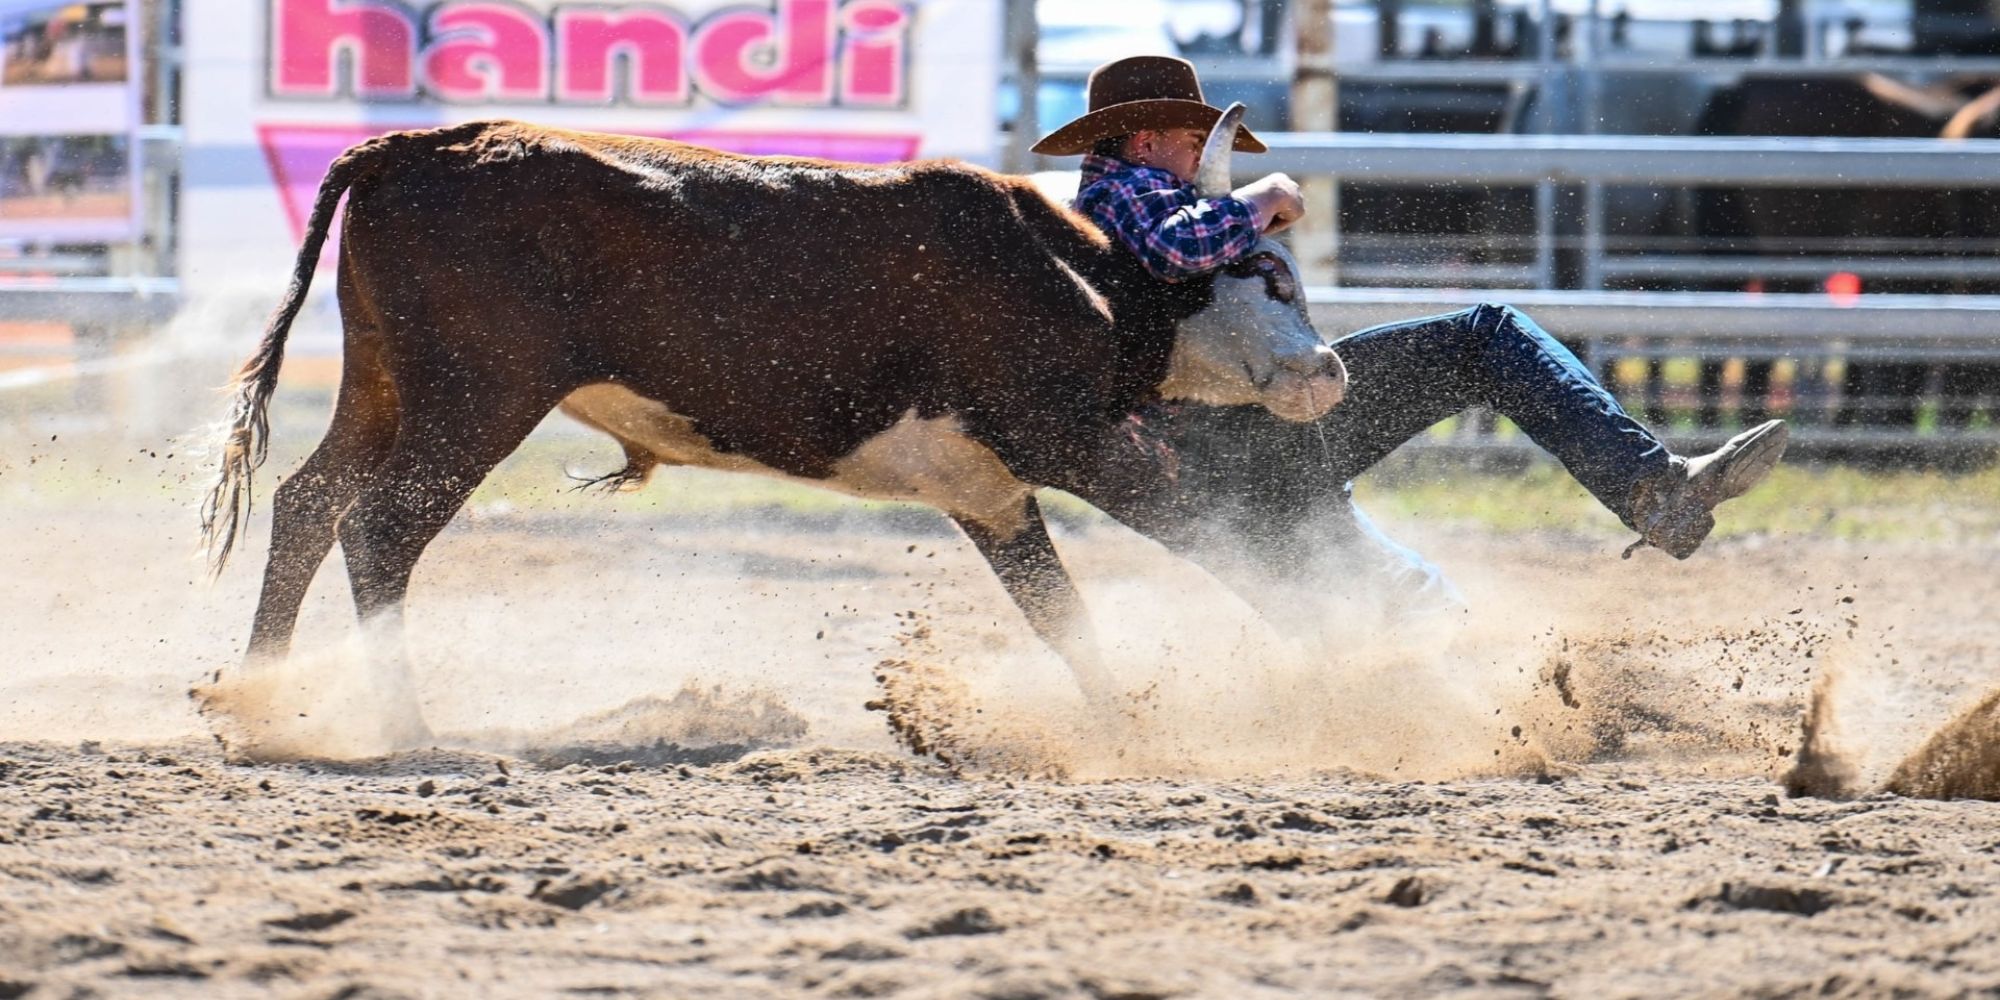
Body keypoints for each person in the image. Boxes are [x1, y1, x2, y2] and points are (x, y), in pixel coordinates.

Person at [1030, 56, 1790, 610]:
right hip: (1239, 441)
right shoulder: (1124, 194)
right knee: (1483, 337)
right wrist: (1260, 201)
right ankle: (1653, 488)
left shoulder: (1101, 208)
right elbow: (1175, 248)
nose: (1201, 156)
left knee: (1404, 619)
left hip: (1219, 466)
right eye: (1191, 142)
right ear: (1143, 141)